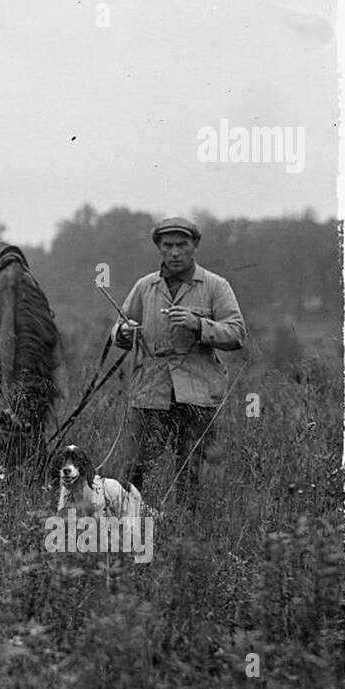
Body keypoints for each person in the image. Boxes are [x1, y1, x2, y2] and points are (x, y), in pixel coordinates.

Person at [112, 216, 246, 505]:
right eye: (168, 245)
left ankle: (186, 531)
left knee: (190, 469)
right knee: (136, 468)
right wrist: (123, 332)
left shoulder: (215, 286)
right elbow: (120, 327)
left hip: (197, 393)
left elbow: (236, 334)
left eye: (182, 245)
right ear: (159, 248)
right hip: (150, 391)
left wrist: (199, 325)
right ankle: (130, 526)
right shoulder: (145, 287)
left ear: (194, 246)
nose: (174, 252)